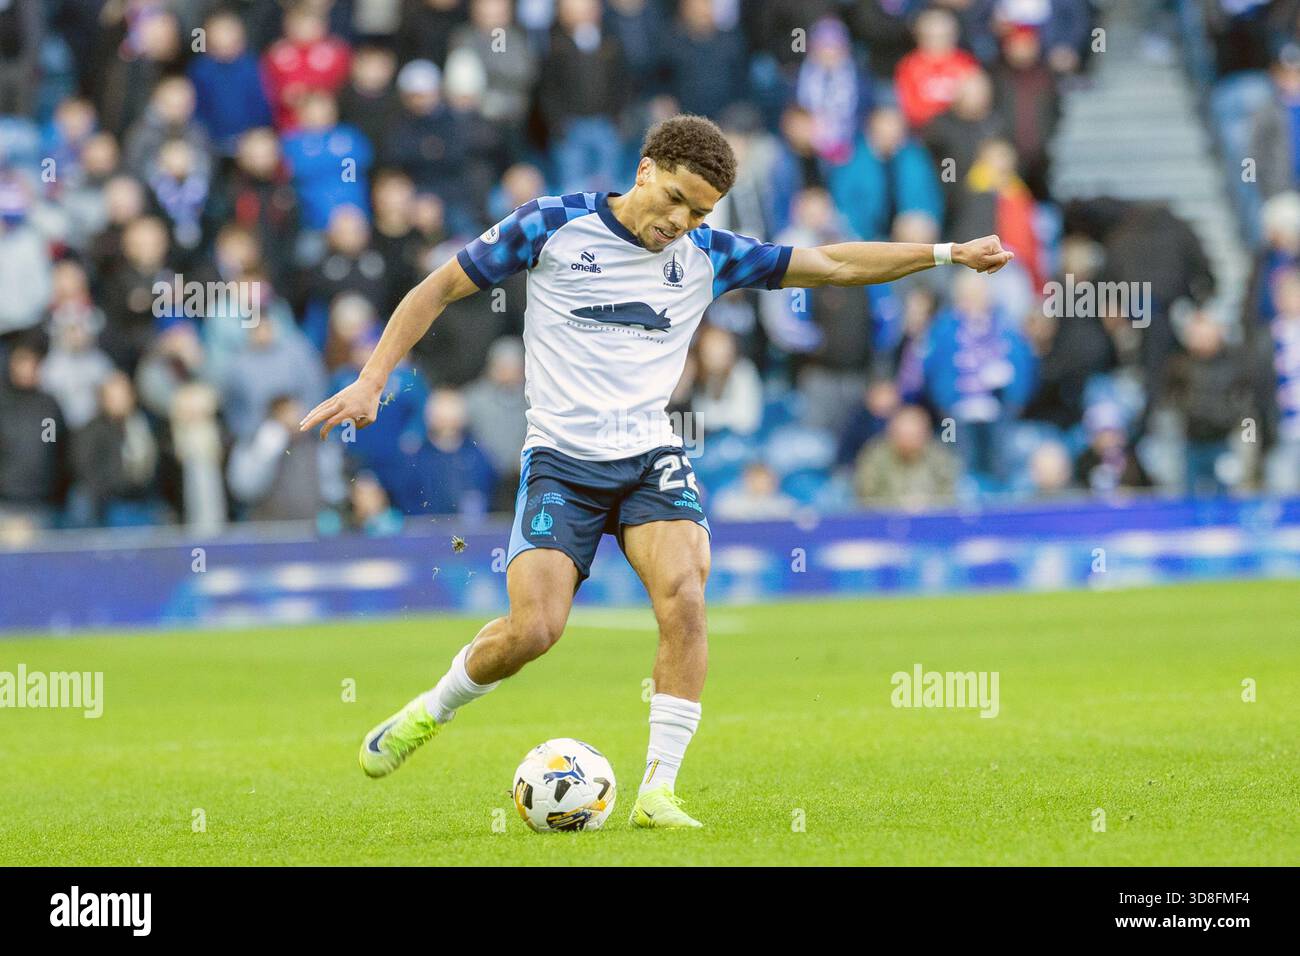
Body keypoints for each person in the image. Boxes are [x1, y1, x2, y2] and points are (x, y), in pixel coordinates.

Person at [300, 114, 1013, 829]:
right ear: (644, 170)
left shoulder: (709, 253)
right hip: (560, 462)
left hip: (649, 458)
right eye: (675, 199)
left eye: (700, 211)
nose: (682, 221)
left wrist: (948, 253)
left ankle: (657, 791)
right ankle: (432, 709)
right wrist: (370, 381)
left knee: (685, 597)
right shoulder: (550, 225)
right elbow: (436, 290)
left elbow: (830, 264)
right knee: (535, 630)